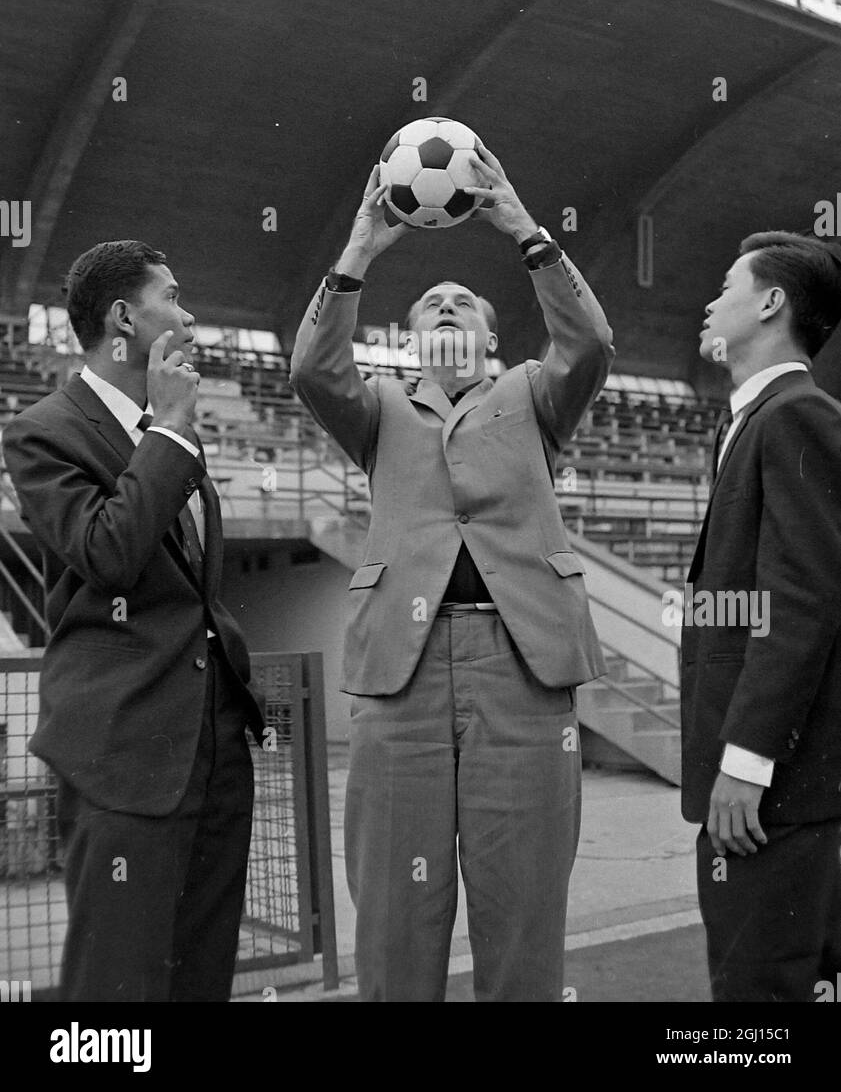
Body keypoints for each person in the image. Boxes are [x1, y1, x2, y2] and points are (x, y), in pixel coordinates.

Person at [291, 145, 614, 1001]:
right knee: (395, 908)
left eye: (462, 300)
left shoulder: (534, 394)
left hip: (522, 666)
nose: (445, 305)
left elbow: (589, 342)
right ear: (409, 338)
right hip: (402, 674)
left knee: (522, 905)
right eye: (429, 302)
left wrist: (519, 225)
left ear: (491, 335)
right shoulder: (379, 408)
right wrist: (360, 248)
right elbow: (310, 369)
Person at [2, 240, 263, 1002]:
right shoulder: (44, 431)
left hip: (210, 745)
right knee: (118, 983)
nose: (188, 317)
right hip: (123, 751)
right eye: (173, 298)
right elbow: (107, 552)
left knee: (201, 968)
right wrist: (173, 432)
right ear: (124, 317)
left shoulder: (164, 427)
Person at [684, 230, 841, 1002]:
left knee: (757, 999)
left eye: (724, 283)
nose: (709, 302)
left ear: (771, 303)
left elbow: (802, 600)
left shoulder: (793, 416)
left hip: (772, 793)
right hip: (772, 788)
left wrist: (745, 762)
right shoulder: (753, 419)